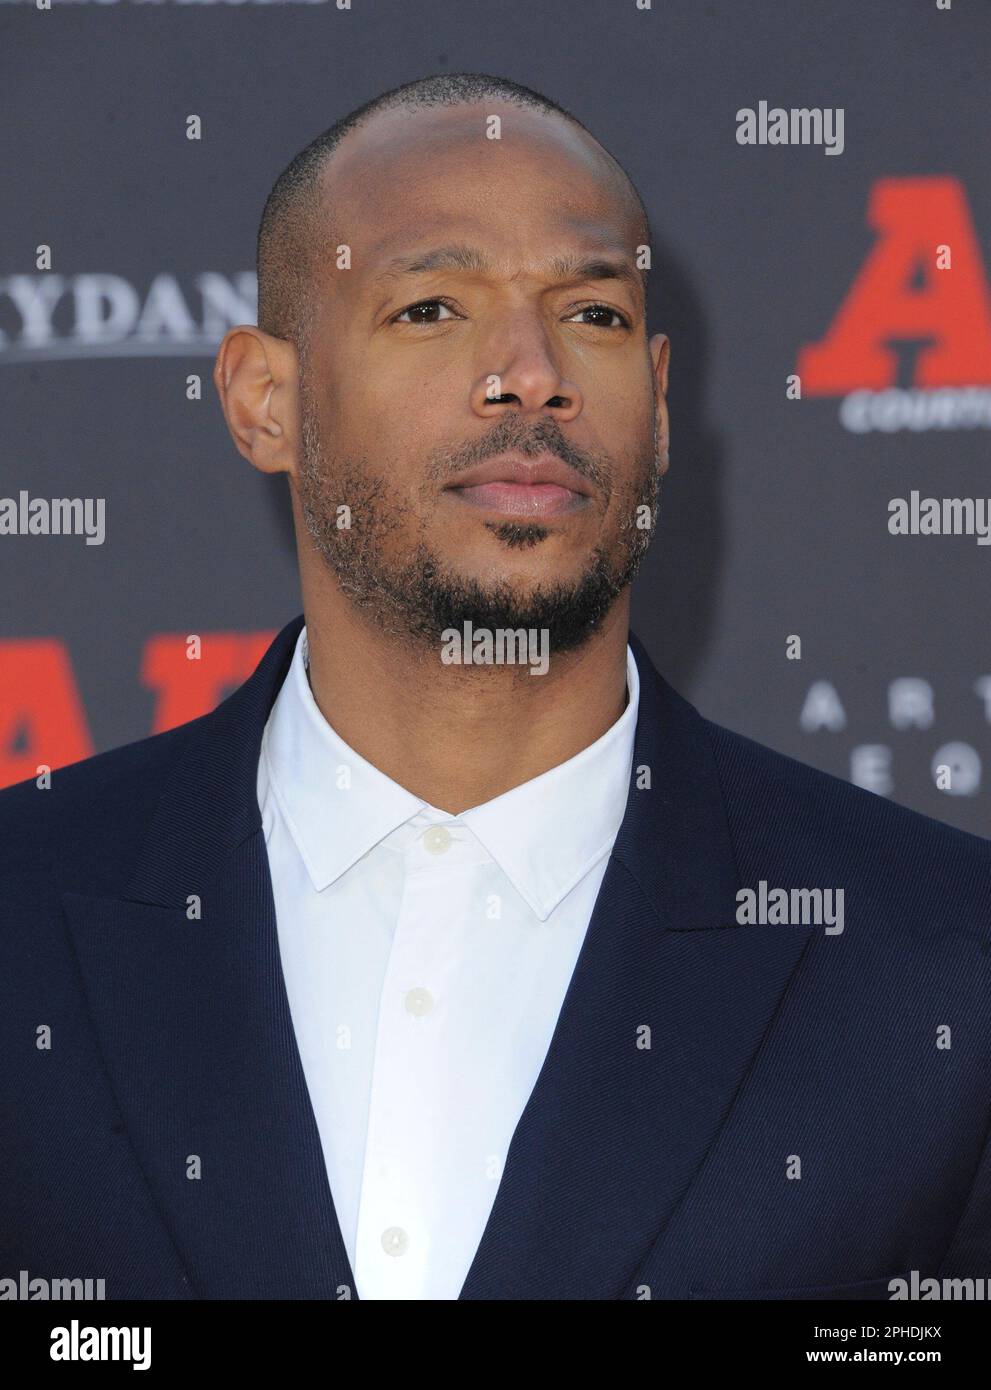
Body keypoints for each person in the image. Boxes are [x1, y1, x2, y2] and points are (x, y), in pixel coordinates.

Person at [2, 72, 989, 1303]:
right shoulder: (22, 914)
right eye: (429, 308)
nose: (530, 374)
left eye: (591, 313)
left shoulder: (942, 969)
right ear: (266, 398)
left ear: (663, 403)